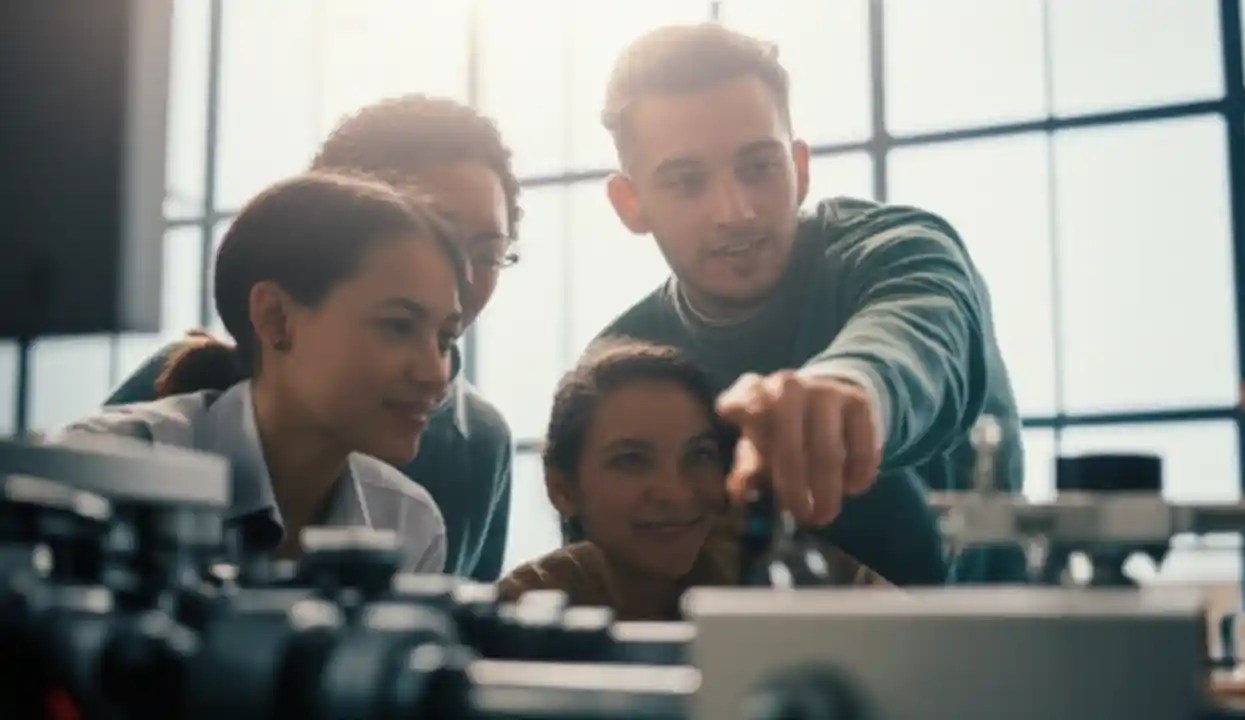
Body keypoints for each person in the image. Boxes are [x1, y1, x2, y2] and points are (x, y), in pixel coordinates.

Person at [592, 24, 1025, 585]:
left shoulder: (903, 253)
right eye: (686, 182)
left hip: (981, 659)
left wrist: (848, 391)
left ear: (798, 168)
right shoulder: (616, 369)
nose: (735, 211)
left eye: (758, 167)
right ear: (631, 203)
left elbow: (916, 333)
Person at [105, 97, 520, 580]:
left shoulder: (469, 457)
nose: (459, 277)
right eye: (431, 235)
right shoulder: (152, 425)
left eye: (488, 255)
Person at [55, 173, 464, 571]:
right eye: (398, 325)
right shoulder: (100, 472)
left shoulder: (410, 525)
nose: (435, 374)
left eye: (445, 340)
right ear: (275, 318)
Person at [498, 339, 888, 620]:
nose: (676, 491)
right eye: (631, 461)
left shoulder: (791, 574)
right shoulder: (526, 607)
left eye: (699, 455)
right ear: (562, 489)